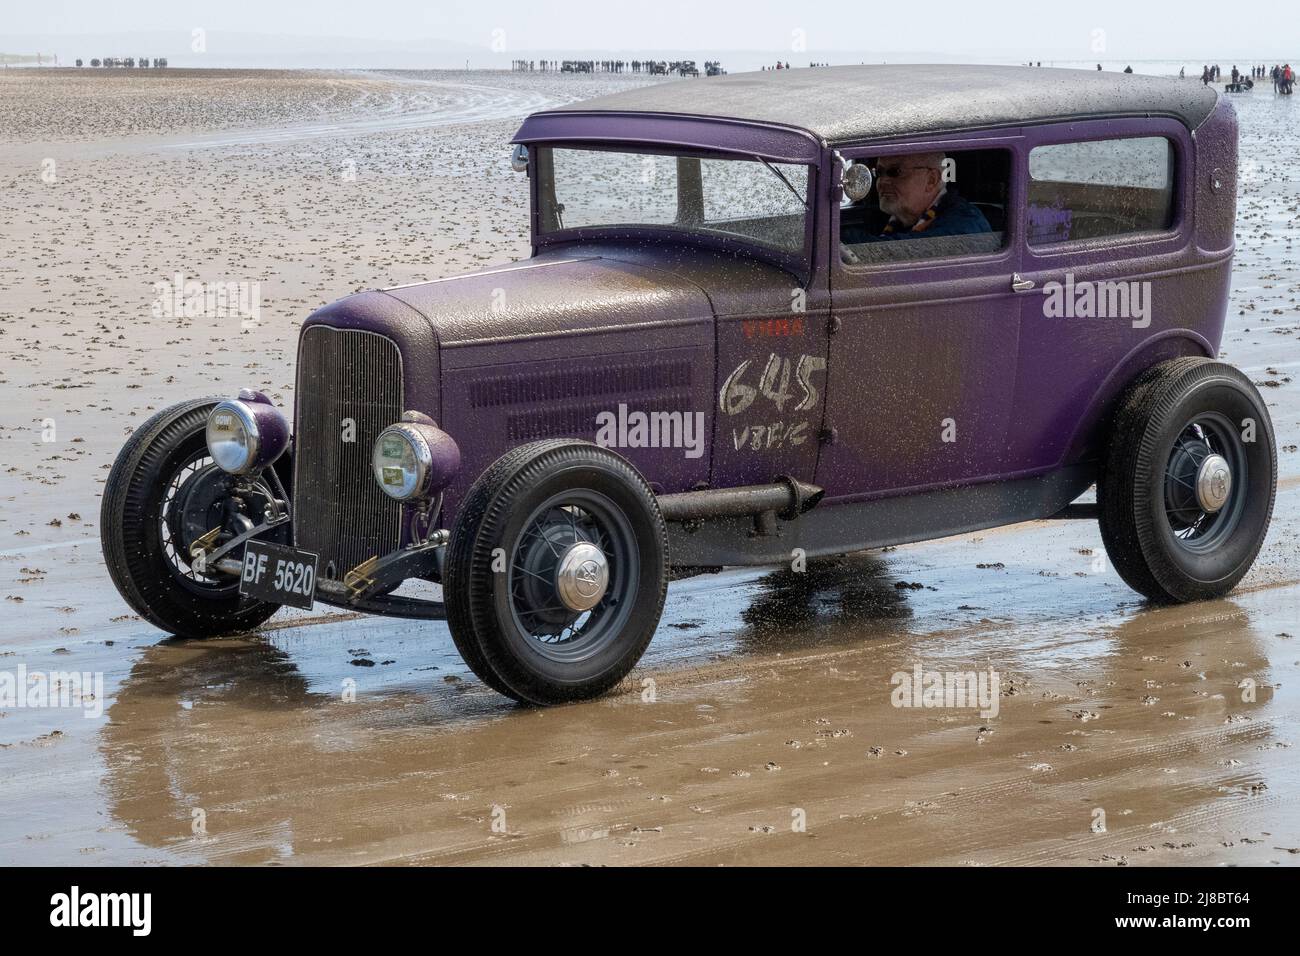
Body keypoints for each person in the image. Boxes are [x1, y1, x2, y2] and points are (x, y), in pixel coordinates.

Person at [843, 152, 991, 244]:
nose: (882, 182)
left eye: (895, 172)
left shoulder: (965, 224)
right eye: (880, 173)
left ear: (931, 180)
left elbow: (900, 251)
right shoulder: (888, 218)